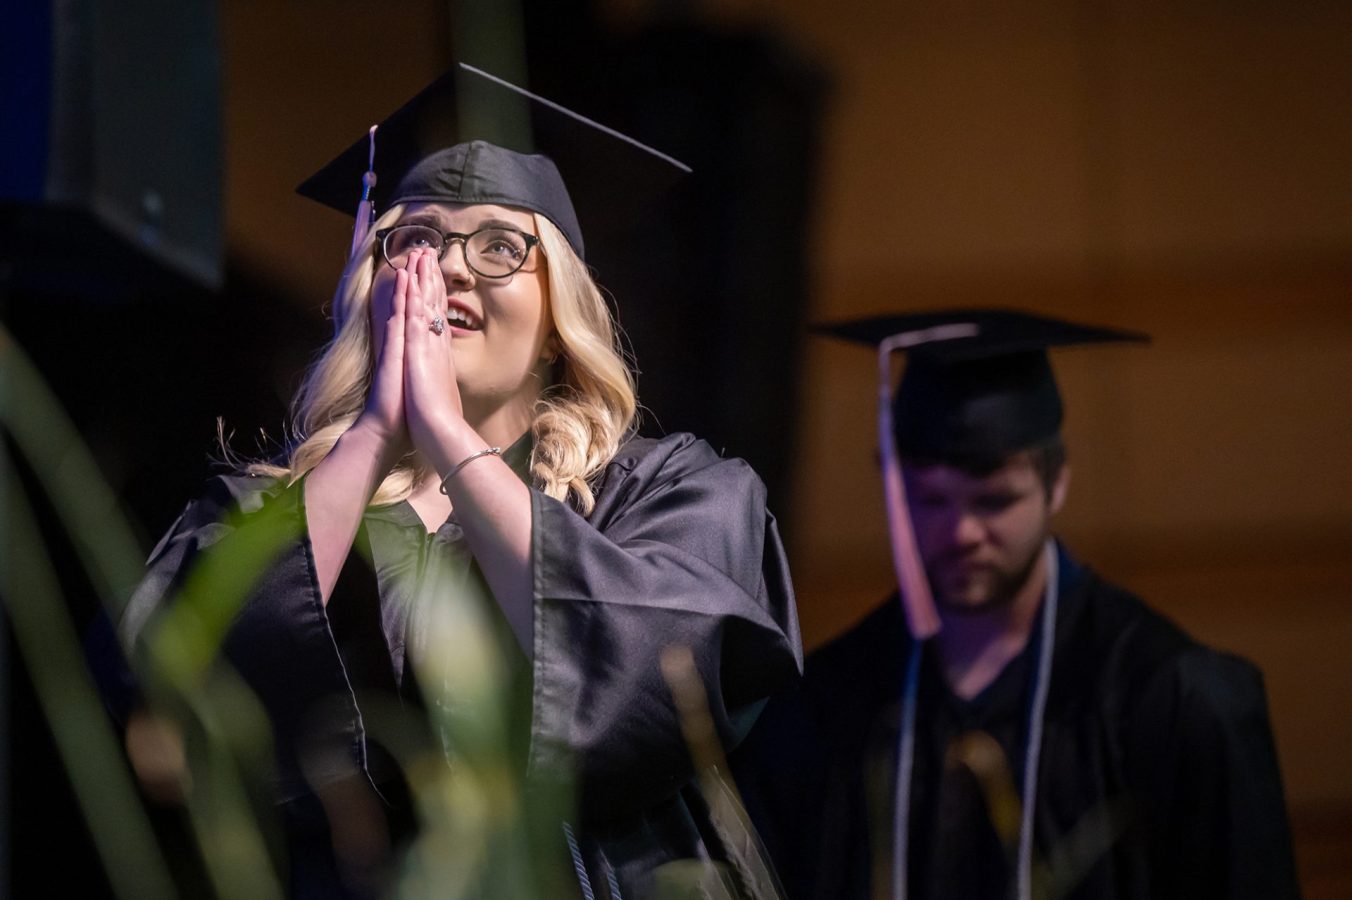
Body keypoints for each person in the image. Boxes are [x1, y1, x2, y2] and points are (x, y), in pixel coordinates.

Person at [118, 64, 800, 899]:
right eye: (416, 241)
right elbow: (181, 703)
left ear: (559, 324)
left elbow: (650, 694)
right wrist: (377, 433)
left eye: (502, 246)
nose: (451, 269)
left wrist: (448, 435)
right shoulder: (263, 513)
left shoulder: (669, 491)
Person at [733, 309, 1299, 900]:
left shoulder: (1173, 701)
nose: (962, 532)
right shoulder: (823, 710)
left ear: (1057, 483)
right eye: (931, 499)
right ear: (891, 480)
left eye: (995, 499)